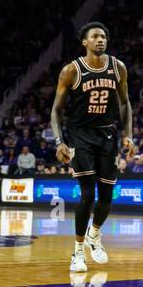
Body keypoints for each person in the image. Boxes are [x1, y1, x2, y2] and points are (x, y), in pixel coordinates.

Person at [51, 23, 134, 272]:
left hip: (107, 134)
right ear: (85, 42)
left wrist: (127, 135)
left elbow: (125, 103)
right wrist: (59, 141)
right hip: (80, 136)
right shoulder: (71, 71)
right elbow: (56, 110)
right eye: (95, 36)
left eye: (104, 36)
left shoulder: (118, 68)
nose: (101, 40)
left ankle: (94, 234)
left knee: (107, 196)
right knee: (88, 194)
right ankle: (77, 252)